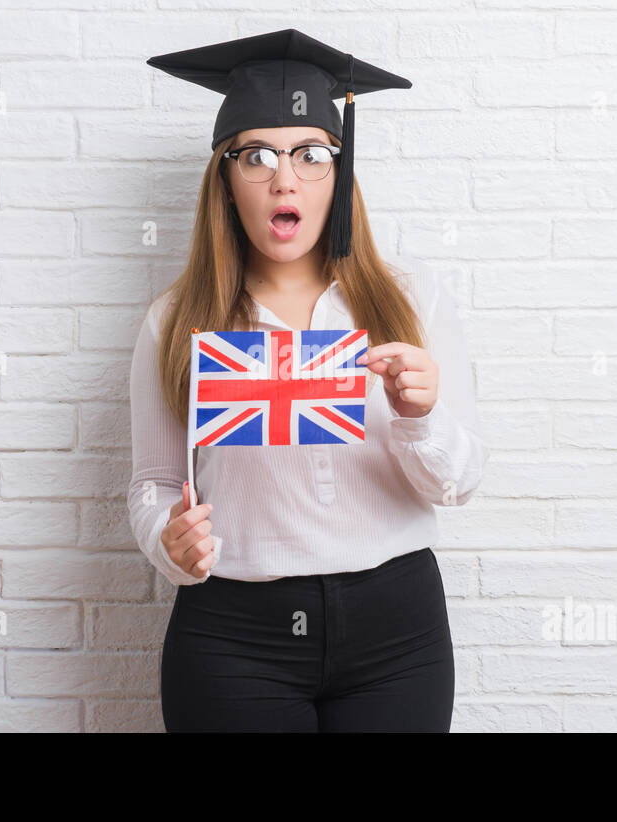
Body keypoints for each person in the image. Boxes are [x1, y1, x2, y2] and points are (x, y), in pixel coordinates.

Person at [127, 29, 489, 732]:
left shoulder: (411, 302)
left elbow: (461, 483)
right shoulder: (177, 322)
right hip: (234, 636)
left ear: (339, 173)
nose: (284, 178)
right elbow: (155, 484)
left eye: (310, 155)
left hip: (397, 632)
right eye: (255, 156)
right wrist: (166, 540)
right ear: (226, 181)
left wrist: (422, 414)